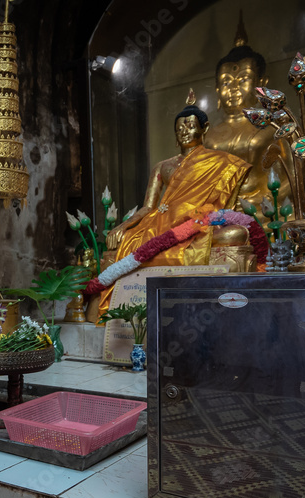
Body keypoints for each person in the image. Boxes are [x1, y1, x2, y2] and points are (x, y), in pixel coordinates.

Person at [97, 95, 251, 317]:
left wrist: (220, 220)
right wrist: (123, 226)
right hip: (159, 223)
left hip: (199, 224)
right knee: (126, 241)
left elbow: (229, 206)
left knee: (235, 233)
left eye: (190, 126)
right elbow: (148, 207)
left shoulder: (223, 162)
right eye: (179, 128)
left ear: (204, 128)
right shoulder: (163, 166)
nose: (184, 131)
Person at [205, 13, 290, 211]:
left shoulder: (275, 127)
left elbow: (291, 179)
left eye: (243, 79)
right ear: (217, 89)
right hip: (221, 212)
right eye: (226, 82)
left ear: (261, 83)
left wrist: (263, 202)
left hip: (263, 209)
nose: (233, 88)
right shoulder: (208, 135)